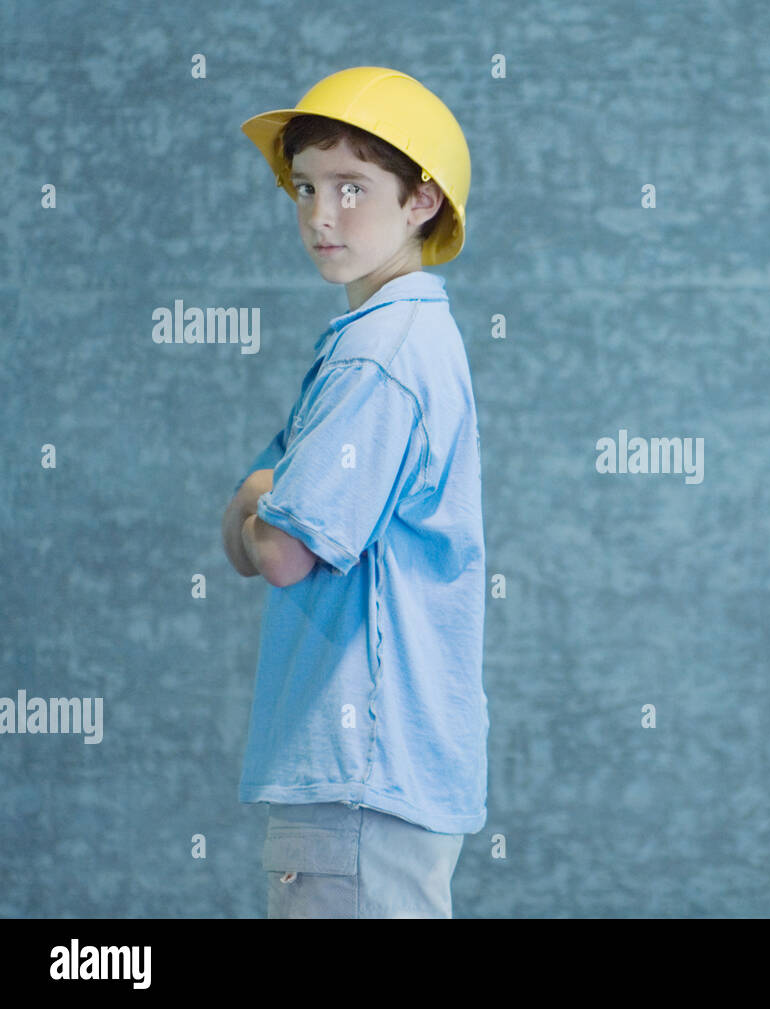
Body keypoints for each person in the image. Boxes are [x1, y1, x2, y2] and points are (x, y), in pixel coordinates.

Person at [220, 67, 487, 918]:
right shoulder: (395, 338)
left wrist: (254, 495)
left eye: (352, 187)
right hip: (378, 778)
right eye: (305, 186)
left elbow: (281, 549)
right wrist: (261, 506)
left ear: (423, 201)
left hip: (357, 777)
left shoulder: (380, 356)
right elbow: (264, 532)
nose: (319, 214)